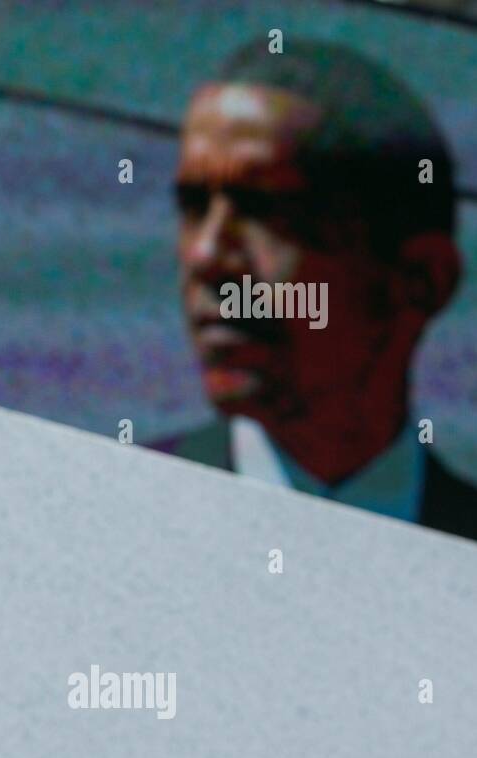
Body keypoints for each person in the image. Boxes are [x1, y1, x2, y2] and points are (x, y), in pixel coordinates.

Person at [151, 38, 477, 541]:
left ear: (421, 281)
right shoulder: (109, 524)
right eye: (194, 209)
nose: (206, 257)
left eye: (265, 212)